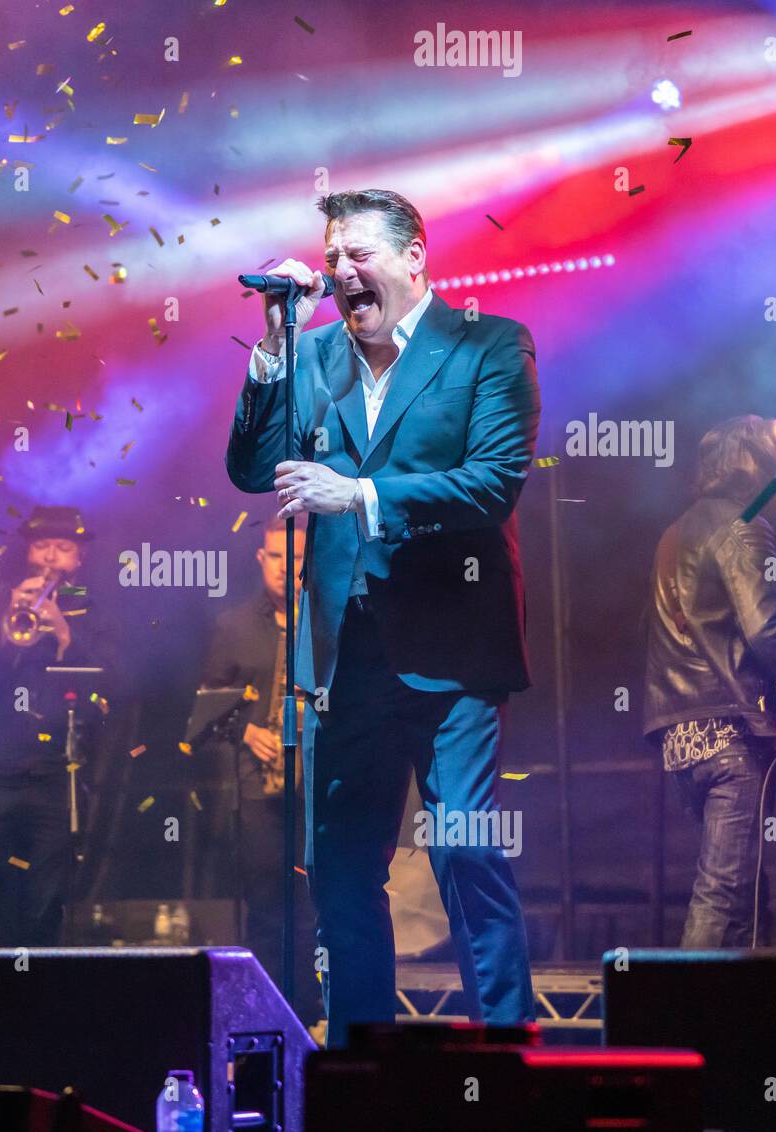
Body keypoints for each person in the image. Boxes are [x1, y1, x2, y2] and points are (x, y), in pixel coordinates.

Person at [225, 188, 541, 1047]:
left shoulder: (488, 346)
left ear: (414, 259)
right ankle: (362, 1069)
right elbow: (254, 470)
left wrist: (360, 495)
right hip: (347, 661)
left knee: (466, 856)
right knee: (342, 872)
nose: (340, 271)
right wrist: (272, 351)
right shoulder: (316, 355)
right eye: (332, 258)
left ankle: (507, 1057)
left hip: (454, 655)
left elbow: (493, 482)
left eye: (358, 253)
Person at [643, 416, 776, 947]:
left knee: (744, 892)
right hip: (729, 733)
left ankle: (738, 1021)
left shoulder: (675, 533)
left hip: (680, 734)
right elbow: (768, 628)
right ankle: (683, 1018)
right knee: (724, 893)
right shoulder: (744, 525)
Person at [0, 505, 109, 945]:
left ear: (79, 560)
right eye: (42, 546)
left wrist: (64, 639)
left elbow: (106, 694)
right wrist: (4, 630)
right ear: (27, 553)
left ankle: (39, 993)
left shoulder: (92, 616)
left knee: (46, 900)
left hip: (57, 773)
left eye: (63, 548)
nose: (51, 558)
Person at [200, 515, 323, 1021]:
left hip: (316, 783)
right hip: (259, 785)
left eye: (294, 559)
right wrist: (246, 728)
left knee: (315, 903)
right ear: (260, 558)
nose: (284, 568)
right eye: (276, 557)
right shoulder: (232, 625)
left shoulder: (326, 617)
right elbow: (206, 709)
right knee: (268, 906)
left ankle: (313, 1010)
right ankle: (266, 1012)